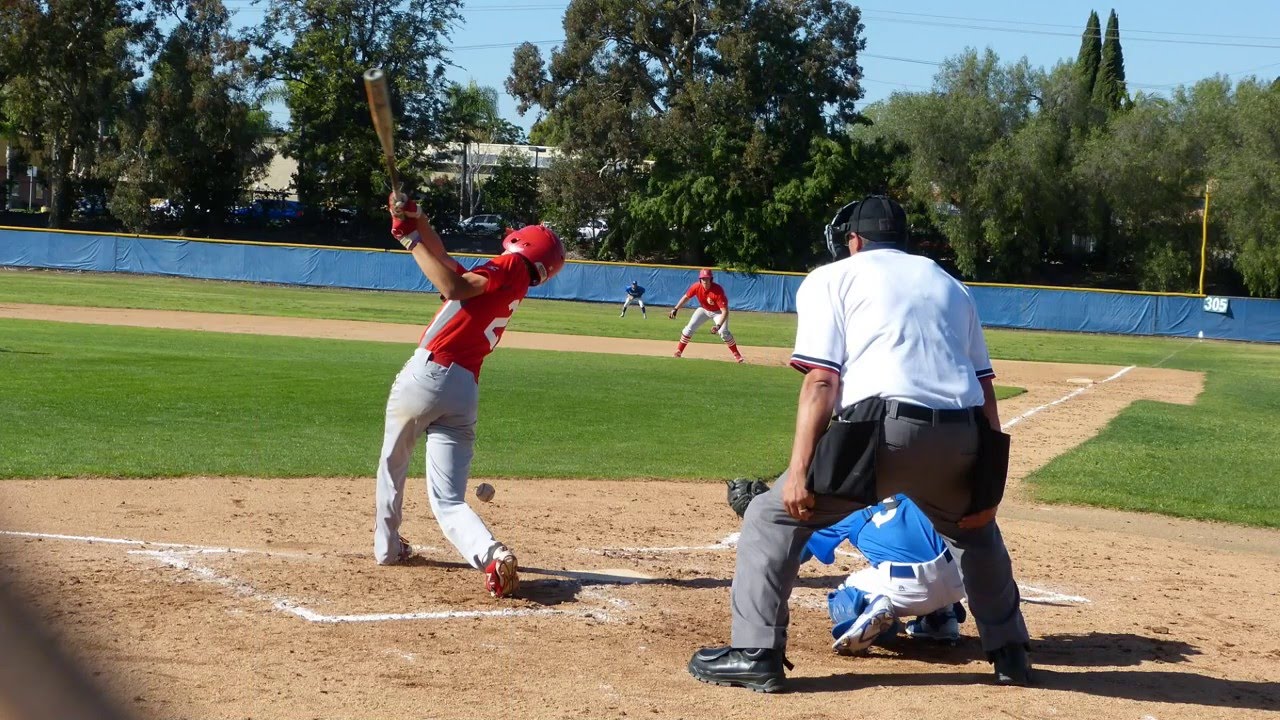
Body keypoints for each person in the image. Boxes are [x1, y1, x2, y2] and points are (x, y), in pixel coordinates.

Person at [688, 194, 1031, 693]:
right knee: (975, 531)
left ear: (854, 240)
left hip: (877, 433)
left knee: (771, 515)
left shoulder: (832, 277)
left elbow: (822, 381)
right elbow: (984, 392)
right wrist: (988, 491)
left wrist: (800, 471)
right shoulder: (951, 286)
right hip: (960, 437)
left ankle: (754, 652)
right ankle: (1011, 655)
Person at [372, 192, 566, 599]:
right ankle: (493, 556)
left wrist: (409, 241)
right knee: (447, 500)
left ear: (524, 245)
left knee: (394, 463)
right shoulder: (513, 281)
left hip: (429, 373)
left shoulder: (510, 265)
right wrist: (416, 220)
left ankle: (387, 548)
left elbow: (451, 284)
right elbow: (449, 266)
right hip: (463, 390)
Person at [727, 483, 969, 651]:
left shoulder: (841, 506)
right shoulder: (909, 479)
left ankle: (870, 608)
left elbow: (794, 552)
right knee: (930, 547)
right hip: (961, 575)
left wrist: (767, 521)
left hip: (907, 590)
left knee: (842, 594)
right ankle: (942, 619)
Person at [668, 268, 744, 363]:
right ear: (700, 279)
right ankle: (679, 351)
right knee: (689, 328)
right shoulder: (696, 286)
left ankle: (736, 354)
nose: (705, 281)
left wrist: (718, 326)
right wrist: (675, 308)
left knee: (723, 332)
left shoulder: (717, 290)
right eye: (703, 279)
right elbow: (686, 297)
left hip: (719, 312)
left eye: (707, 278)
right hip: (704, 310)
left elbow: (725, 311)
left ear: (711, 279)